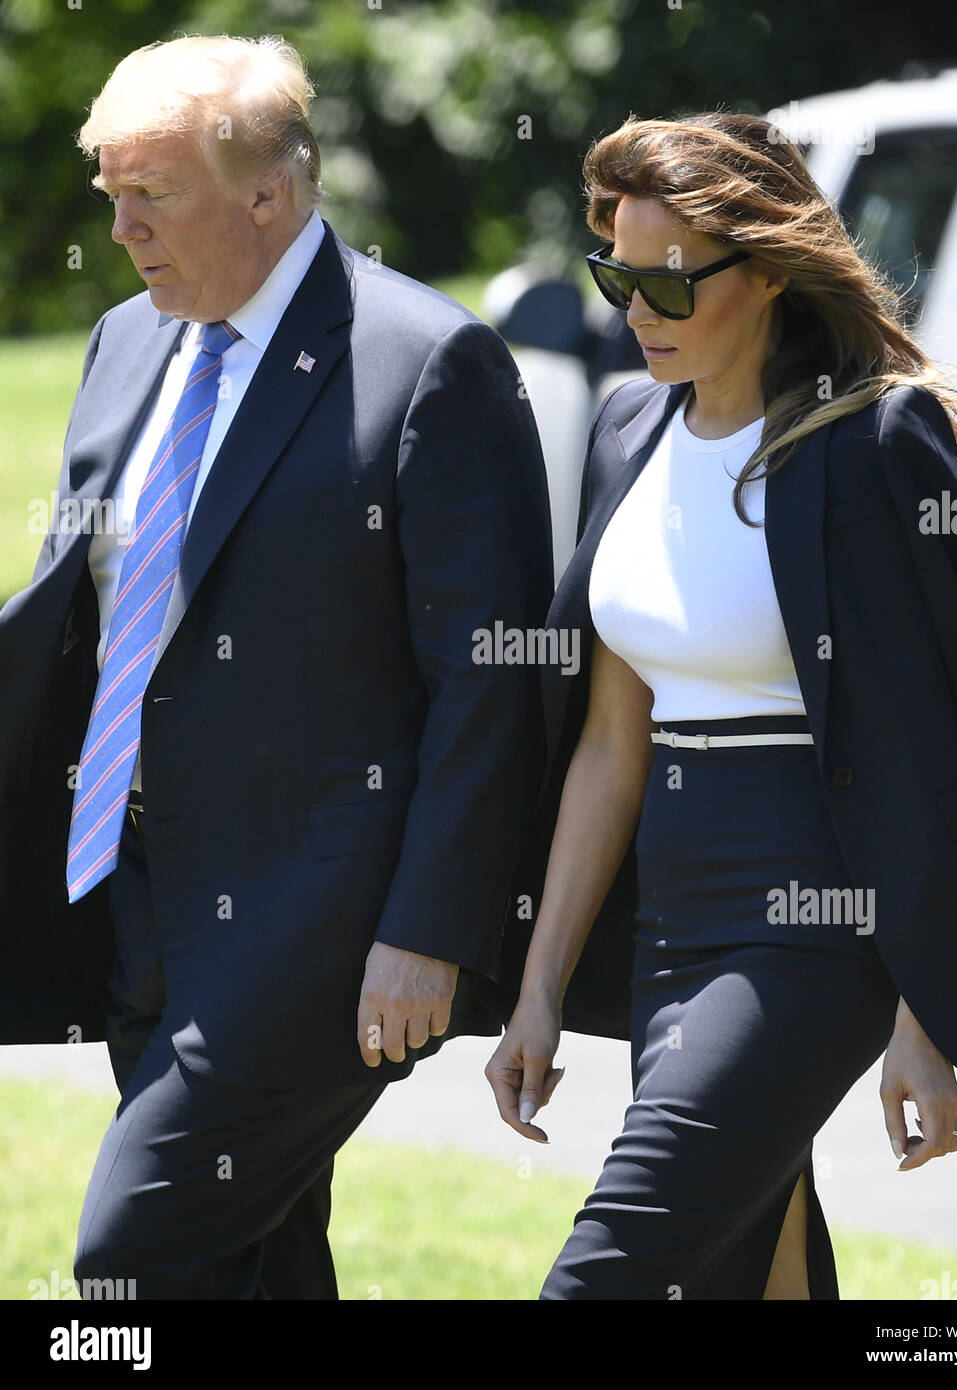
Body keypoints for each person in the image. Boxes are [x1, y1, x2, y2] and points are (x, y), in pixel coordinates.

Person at [0, 33, 552, 1299]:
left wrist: (430, 932)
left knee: (126, 1266)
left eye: (156, 193)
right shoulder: (123, 343)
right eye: (112, 193)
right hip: (135, 894)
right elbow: (78, 616)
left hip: (320, 928)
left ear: (268, 190)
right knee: (258, 1261)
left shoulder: (426, 364)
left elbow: (490, 684)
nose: (123, 225)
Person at [486, 112, 957, 1300]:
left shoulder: (873, 442)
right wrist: (536, 986)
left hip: (817, 924)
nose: (635, 309)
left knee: (610, 1271)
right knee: (750, 1260)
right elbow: (607, 741)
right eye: (614, 276)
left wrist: (924, 1010)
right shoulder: (628, 426)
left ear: (769, 272)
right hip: (670, 924)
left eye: (669, 284)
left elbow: (933, 742)